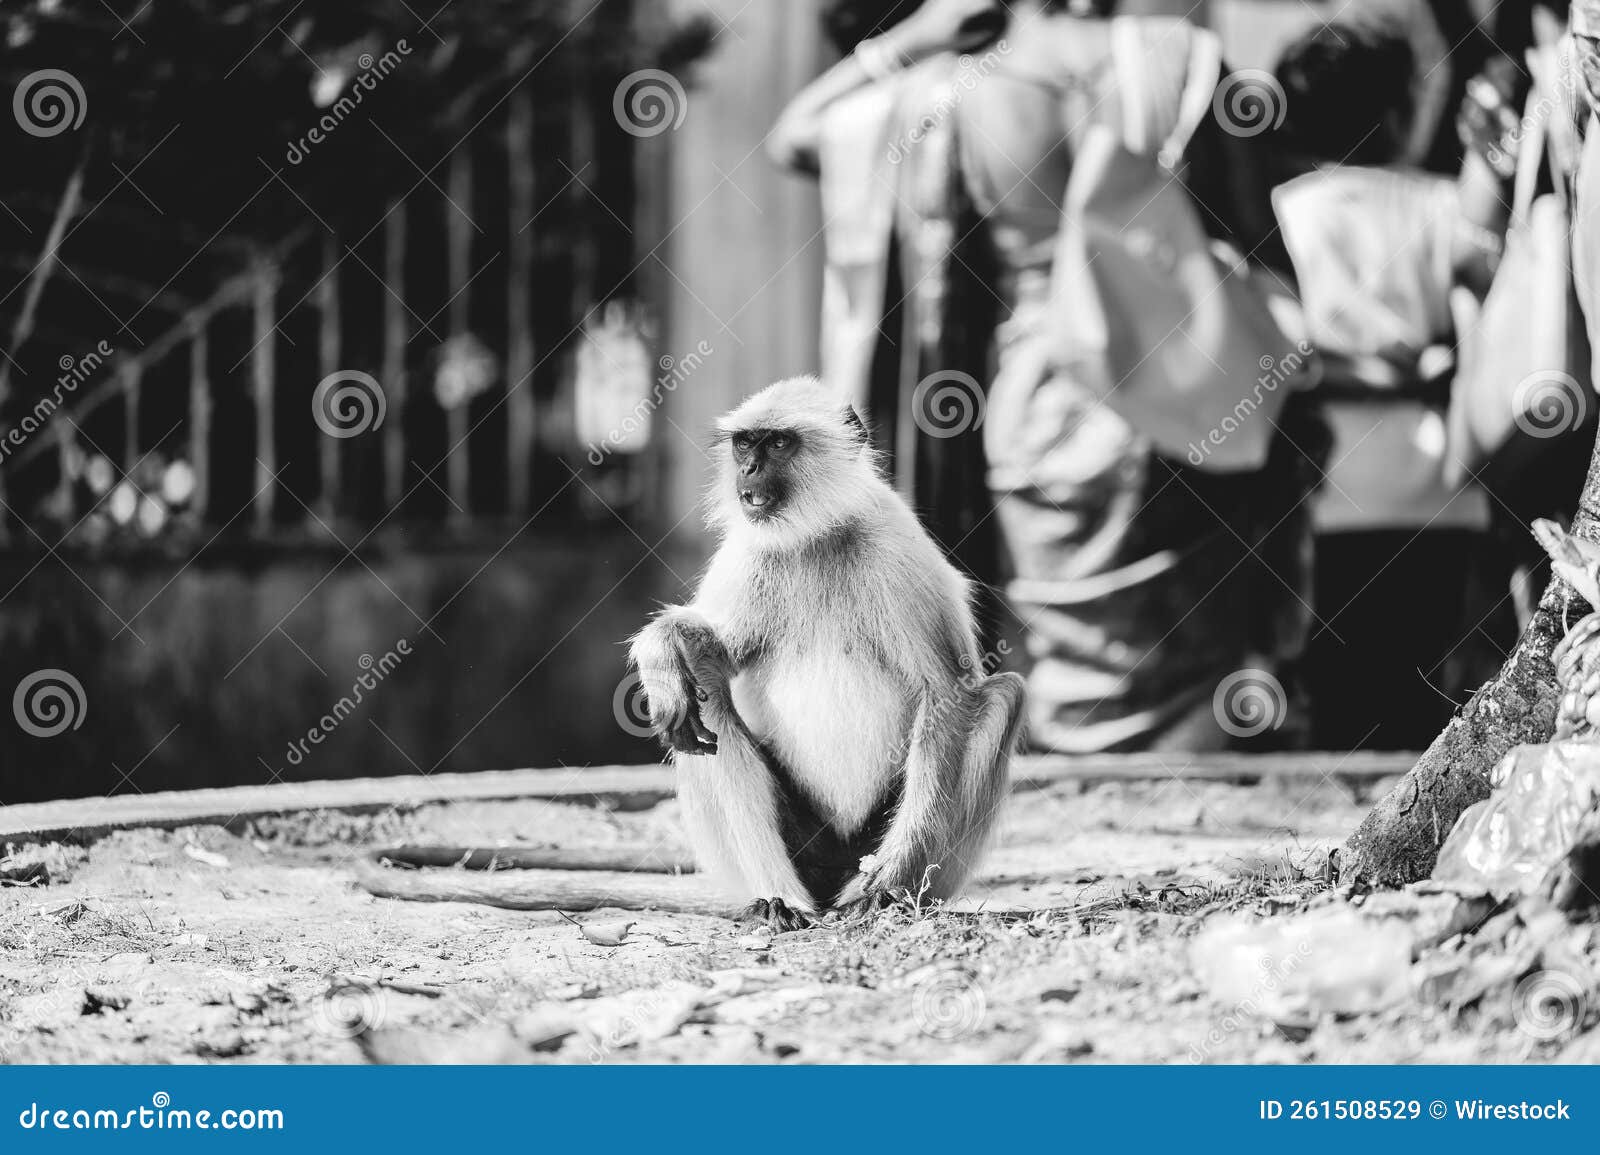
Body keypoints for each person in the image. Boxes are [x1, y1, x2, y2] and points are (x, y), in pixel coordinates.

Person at [770, 0, 1318, 751]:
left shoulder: (948, 87)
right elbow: (1259, 244)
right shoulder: (1175, 58)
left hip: (1034, 404)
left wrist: (903, 43)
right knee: (1195, 655)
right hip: (1183, 383)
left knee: (1063, 672)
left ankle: (1081, 781)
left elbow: (797, 137)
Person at [1269, 20, 1536, 747]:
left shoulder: (1284, 211)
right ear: (1395, 112)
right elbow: (1484, 314)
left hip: (1324, 490)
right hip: (1437, 486)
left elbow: (1283, 351)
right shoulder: (1447, 204)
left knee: (1334, 687)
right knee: (1421, 690)